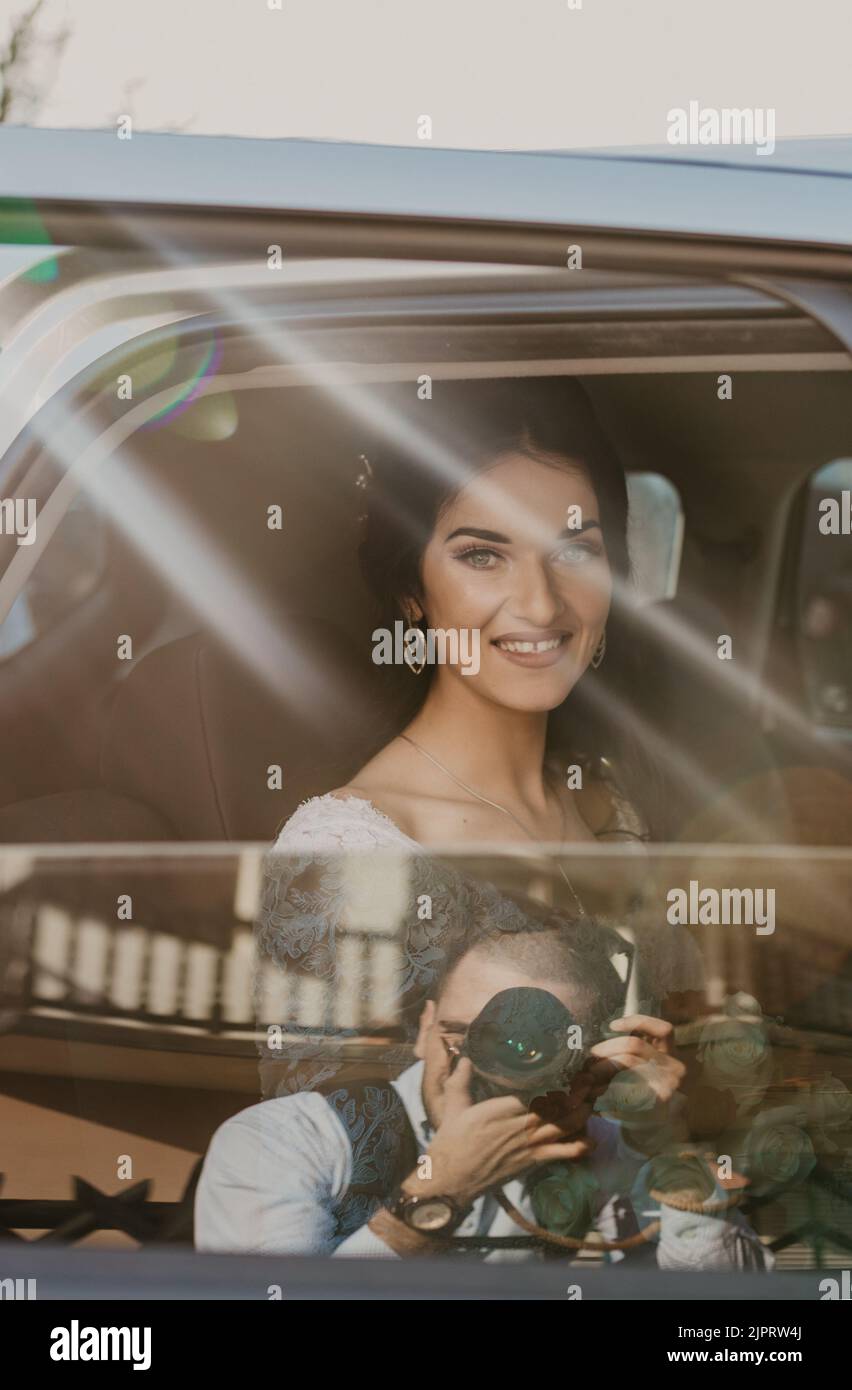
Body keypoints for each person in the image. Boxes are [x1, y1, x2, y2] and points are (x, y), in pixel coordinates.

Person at [255, 378, 703, 1042]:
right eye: (483, 556)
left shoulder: (610, 796)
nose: (543, 606)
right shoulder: (344, 855)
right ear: (412, 590)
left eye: (576, 551)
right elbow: (323, 1136)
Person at [196, 908, 769, 1269]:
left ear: (593, 1050)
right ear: (424, 1028)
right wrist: (438, 1193)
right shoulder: (286, 1140)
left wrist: (672, 1153)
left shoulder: (610, 1149)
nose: (490, 1066)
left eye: (533, 1046)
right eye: (467, 1036)